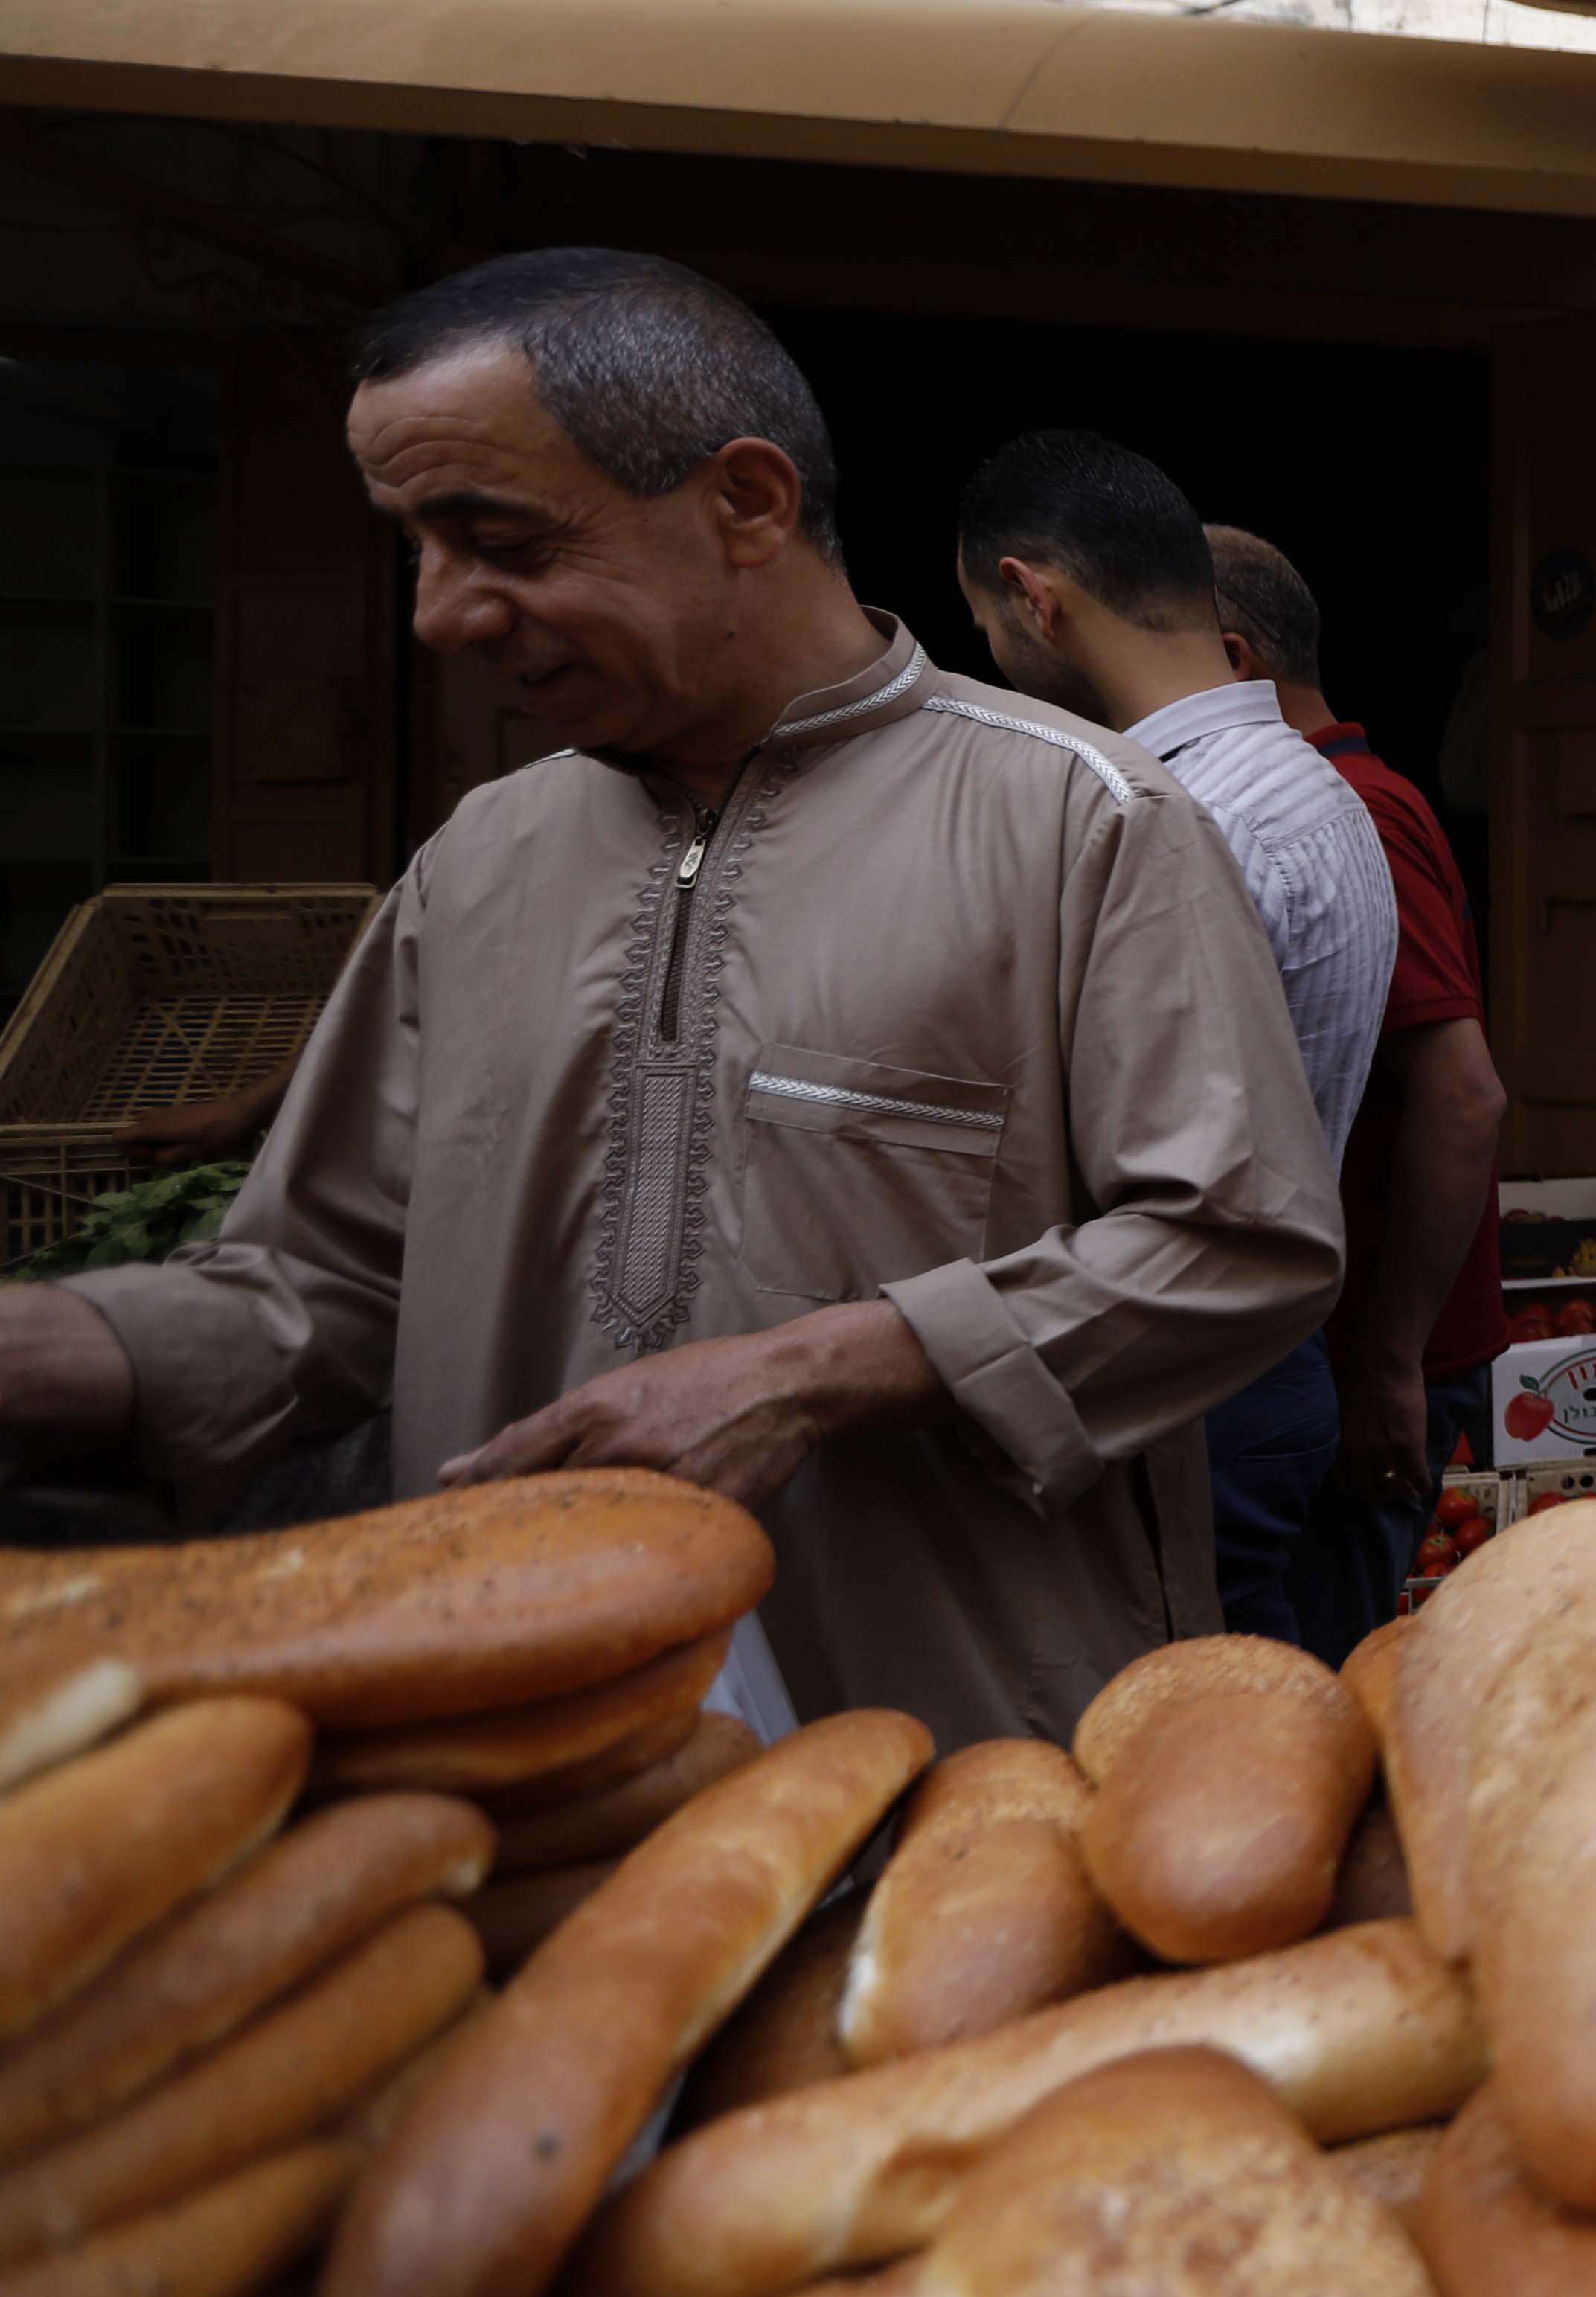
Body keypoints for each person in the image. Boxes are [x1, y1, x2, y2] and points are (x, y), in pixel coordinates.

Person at [0, 251, 1337, 1748]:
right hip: (519, 1759)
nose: (443, 612)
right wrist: (65, 1351)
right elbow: (325, 1290)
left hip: (950, 1761)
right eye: (416, 548)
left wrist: (822, 1370)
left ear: (749, 503)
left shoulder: (1083, 819)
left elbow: (1239, 1242)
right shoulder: (482, 856)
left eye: (496, 538)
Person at [958, 433, 1394, 1650]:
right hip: (1273, 1357)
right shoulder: (1312, 785)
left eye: (988, 626)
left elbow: (1125, 1157)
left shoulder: (1175, 819)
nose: (992, 657)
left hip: (1197, 1372)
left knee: (1183, 1735)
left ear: (1035, 600)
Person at [1211, 524, 1513, 1664]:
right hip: (1346, 1354)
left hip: (1370, 1365)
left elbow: (1461, 1095)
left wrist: (1386, 1362)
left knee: (1311, 1697)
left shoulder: (1349, 810)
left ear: (1237, 661)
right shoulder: (1335, 793)